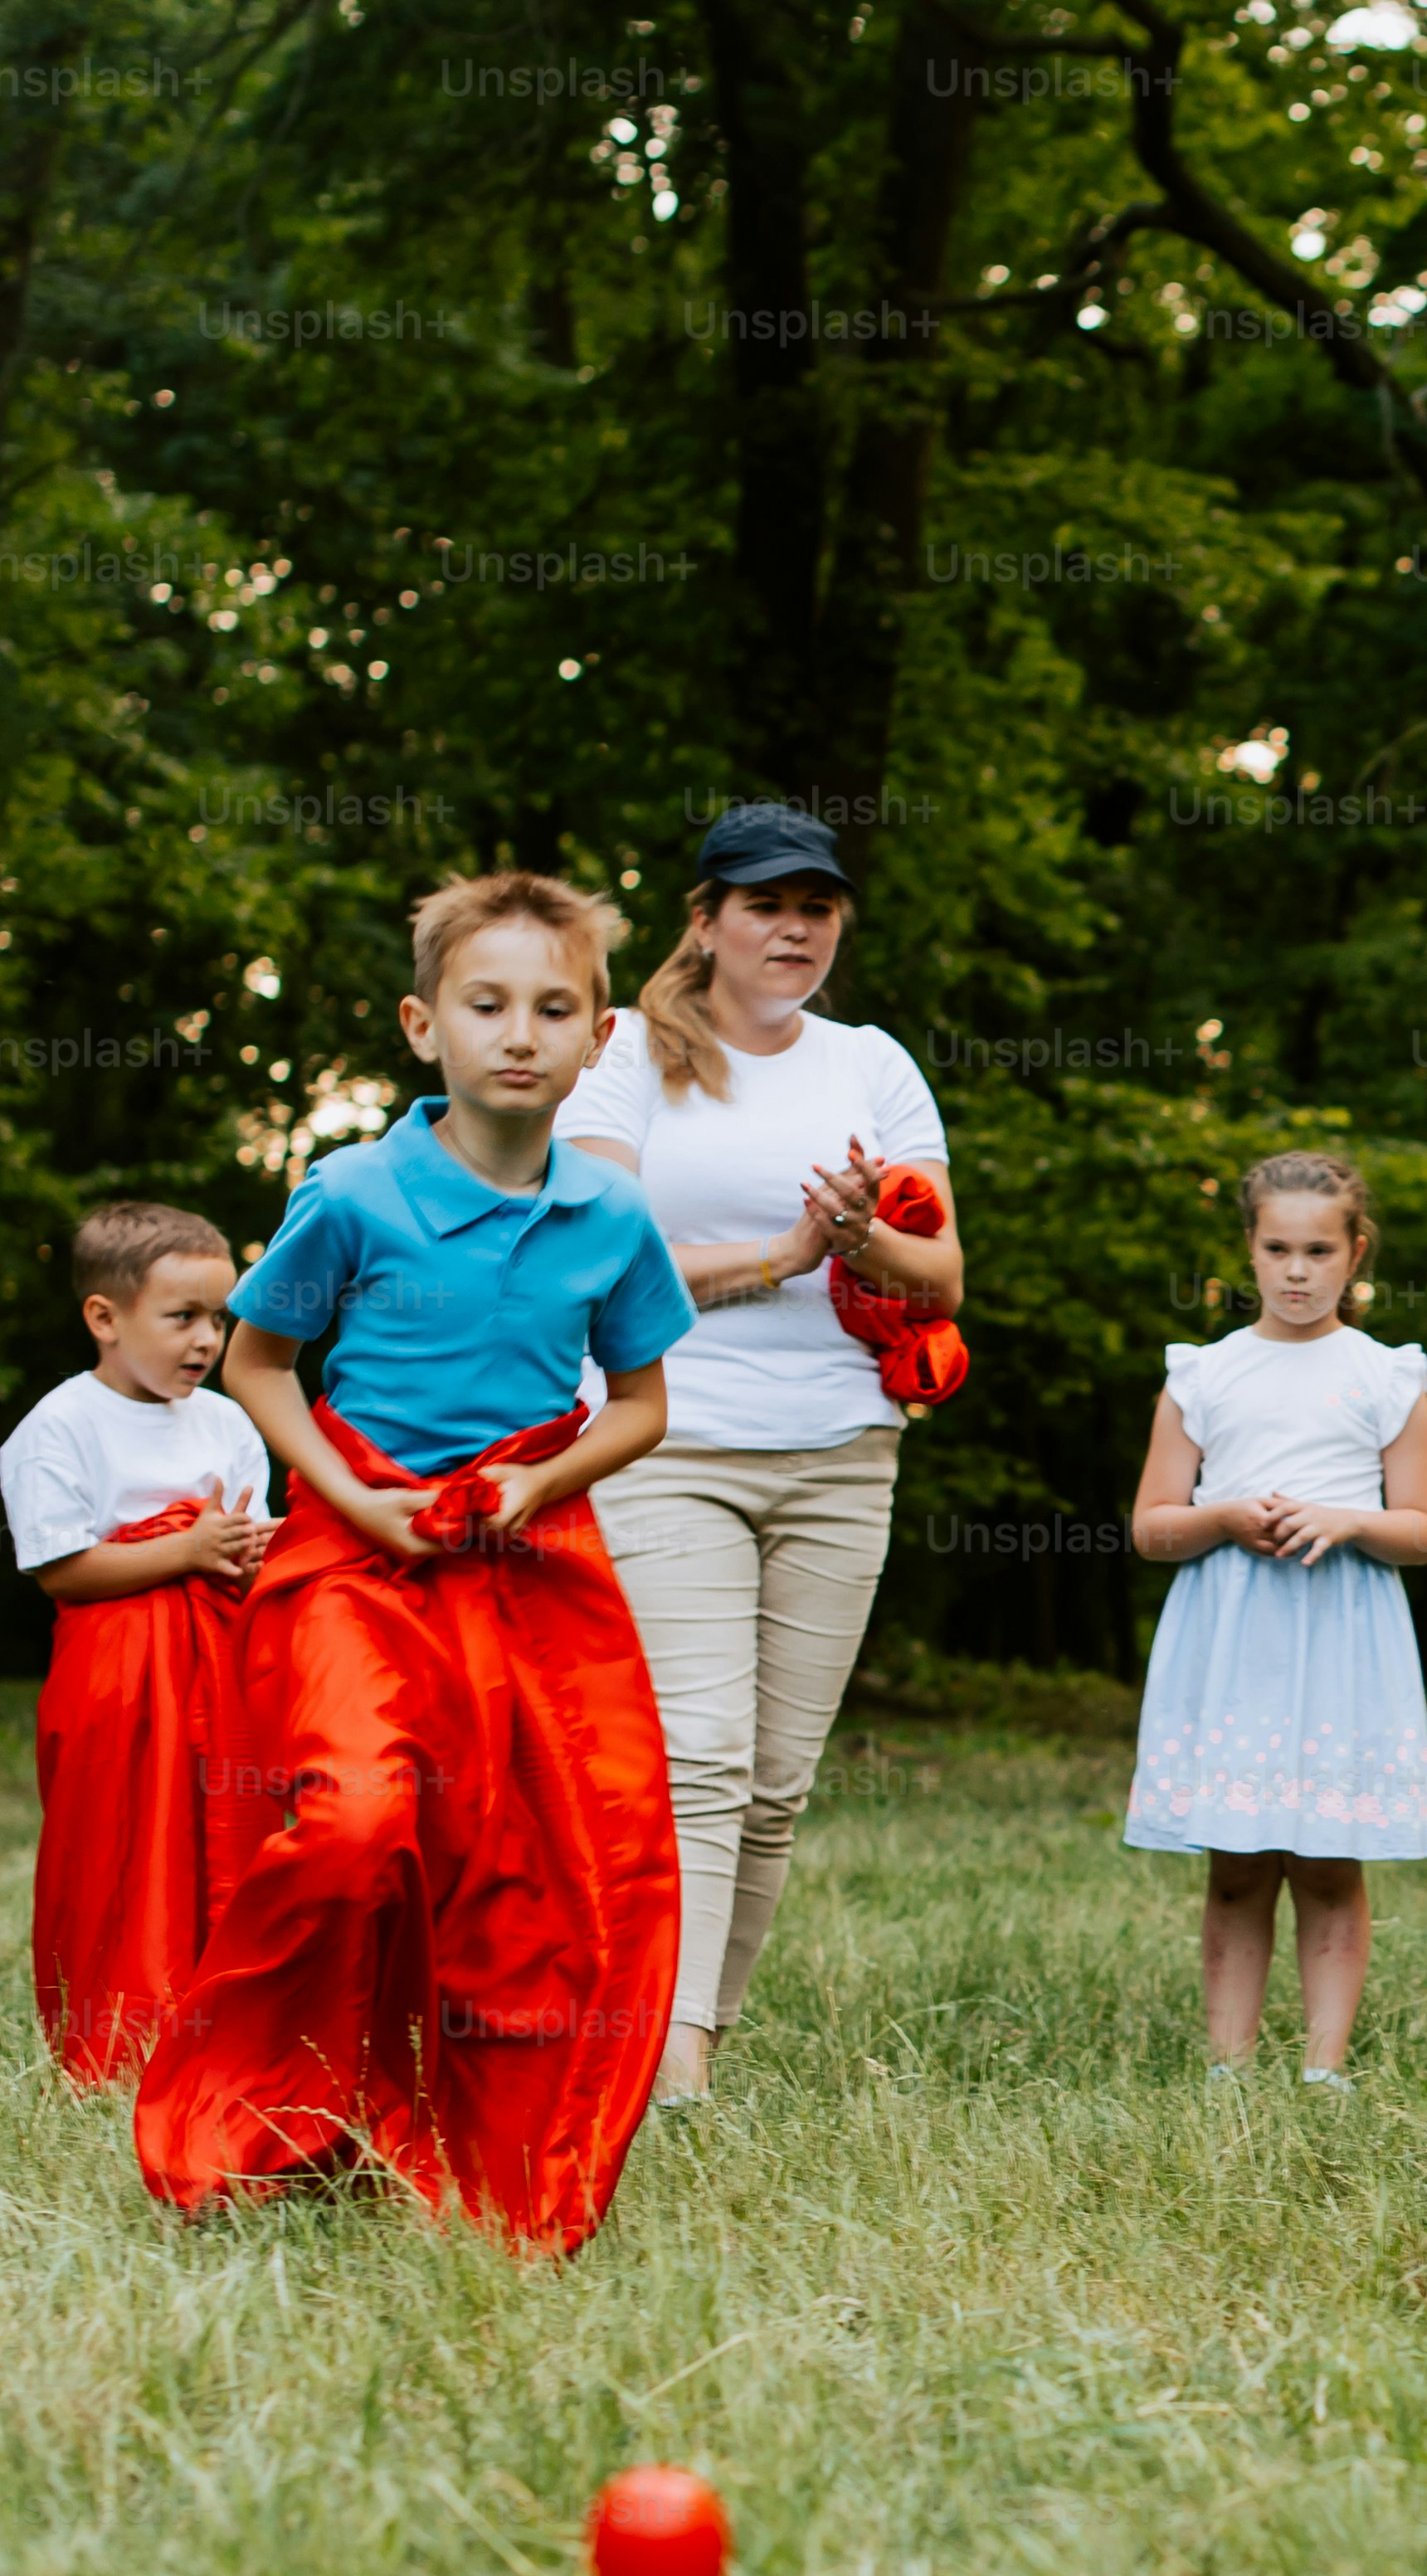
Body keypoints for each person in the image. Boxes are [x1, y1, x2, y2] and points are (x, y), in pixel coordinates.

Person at [133, 871, 696, 2256]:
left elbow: (641, 1405)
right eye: (485, 1004)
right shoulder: (356, 1195)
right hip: (354, 1552)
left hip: (522, 1557)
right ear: (420, 1024)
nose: (518, 1034)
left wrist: (541, 1478)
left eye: (551, 1009)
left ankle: (456, 2136)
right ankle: (251, 2100)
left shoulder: (612, 1220)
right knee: (353, 1821)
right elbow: (264, 1367)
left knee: (539, 1865)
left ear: (599, 1035)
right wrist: (350, 1498)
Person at [563, 802, 960, 2113]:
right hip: (664, 1438)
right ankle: (665, 2068)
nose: (793, 928)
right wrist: (780, 1259)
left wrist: (859, 1241)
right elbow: (598, 1262)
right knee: (700, 1755)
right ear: (707, 920)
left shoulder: (871, 1064)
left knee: (778, 1783)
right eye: (763, 905)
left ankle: (700, 2035)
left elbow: (944, 1273)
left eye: (817, 906)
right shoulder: (625, 1054)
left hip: (842, 1449)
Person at [1123, 1151, 1427, 2086]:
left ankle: (1322, 2066)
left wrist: (1349, 1520)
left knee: (1328, 1861)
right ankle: (1229, 2063)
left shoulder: (1387, 1377)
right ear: (1249, 1253)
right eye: (1276, 1249)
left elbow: (1421, 1530)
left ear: (1355, 1254)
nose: (1296, 1270)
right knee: (1238, 1860)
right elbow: (1151, 1526)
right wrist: (1222, 1518)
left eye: (1317, 1249)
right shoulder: (1202, 1376)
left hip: (1339, 1636)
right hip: (1235, 1641)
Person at [0, 1200, 272, 2083]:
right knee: (119, 1840)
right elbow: (61, 1568)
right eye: (183, 1317)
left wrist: (244, 1552)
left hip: (218, 1657)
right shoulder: (59, 1426)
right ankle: (113, 2038)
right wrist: (184, 1548)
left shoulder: (227, 1423)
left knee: (220, 1832)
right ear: (104, 1318)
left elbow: (251, 1535)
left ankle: (223, 2021)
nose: (206, 1340)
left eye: (219, 1319)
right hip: (117, 1666)